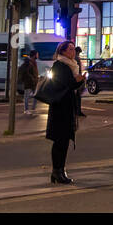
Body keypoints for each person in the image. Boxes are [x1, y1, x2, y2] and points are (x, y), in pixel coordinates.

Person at [45, 41, 84, 184]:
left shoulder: (71, 65)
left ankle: (60, 171)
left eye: (74, 49)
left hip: (66, 107)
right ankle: (57, 171)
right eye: (70, 49)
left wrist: (79, 81)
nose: (73, 52)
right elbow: (65, 85)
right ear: (63, 51)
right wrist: (77, 81)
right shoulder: (60, 65)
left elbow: (71, 86)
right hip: (60, 108)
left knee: (64, 140)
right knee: (60, 141)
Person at [19, 51, 39, 116]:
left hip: (34, 82)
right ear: (34, 55)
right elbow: (27, 72)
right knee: (27, 96)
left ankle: (33, 109)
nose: (38, 55)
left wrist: (36, 78)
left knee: (36, 95)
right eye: (37, 54)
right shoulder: (28, 63)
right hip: (28, 82)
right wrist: (32, 78)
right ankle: (26, 110)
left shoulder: (34, 62)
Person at [70, 44, 87, 118]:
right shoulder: (76, 58)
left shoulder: (74, 58)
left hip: (76, 78)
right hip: (77, 79)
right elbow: (78, 70)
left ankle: (76, 111)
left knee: (76, 96)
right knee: (77, 97)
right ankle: (77, 111)